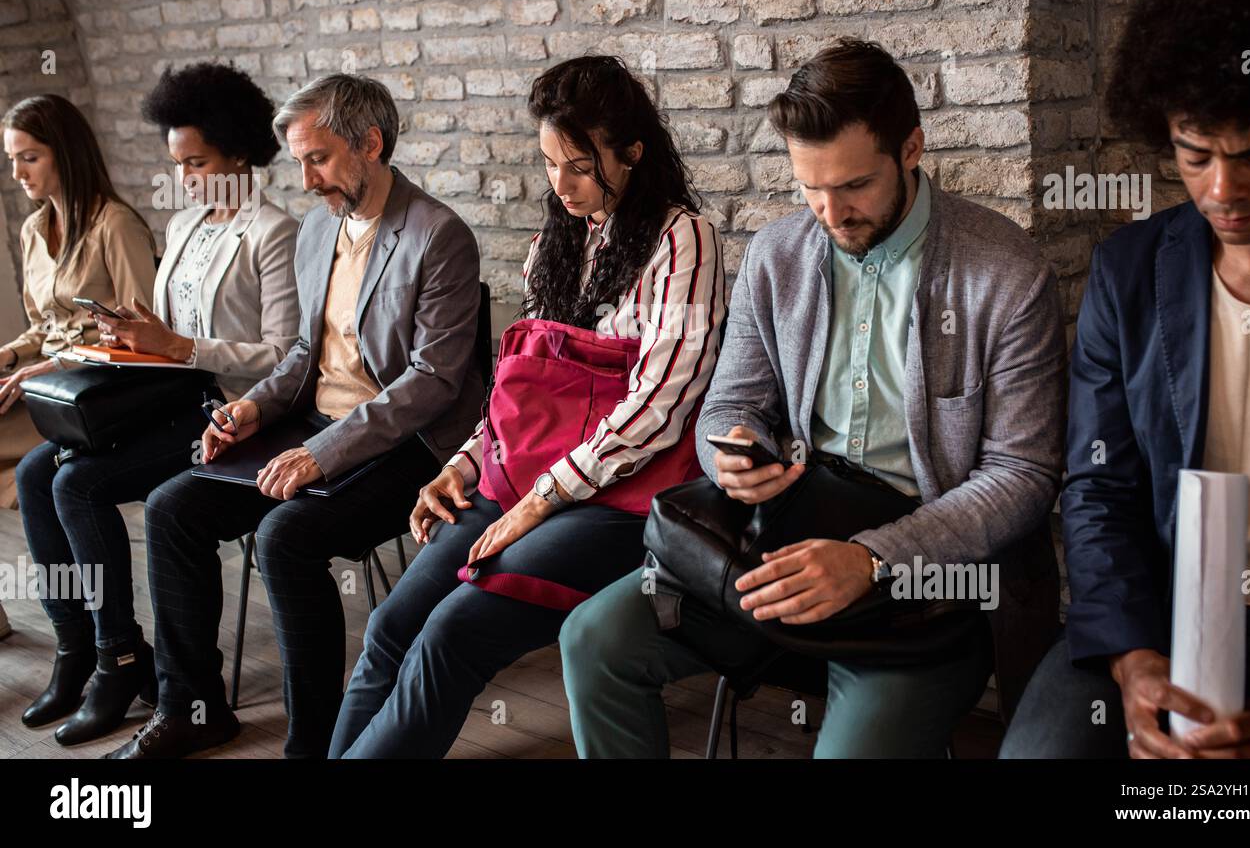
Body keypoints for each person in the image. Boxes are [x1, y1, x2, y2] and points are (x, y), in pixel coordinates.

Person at [560, 38, 1067, 758]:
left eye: (854, 185)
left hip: (928, 582)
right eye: (810, 187)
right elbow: (727, 408)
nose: (830, 212)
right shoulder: (778, 254)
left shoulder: (1005, 272)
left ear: (912, 148)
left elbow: (1023, 477)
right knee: (592, 640)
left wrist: (871, 559)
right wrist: (735, 452)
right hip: (783, 540)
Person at [328, 55, 724, 759]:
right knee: (392, 626)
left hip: (616, 501)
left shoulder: (683, 240)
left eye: (580, 166)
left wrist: (542, 498)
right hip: (523, 481)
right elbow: (520, 389)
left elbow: (663, 402)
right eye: (549, 165)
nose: (561, 186)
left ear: (633, 151)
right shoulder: (553, 246)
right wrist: (464, 462)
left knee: (454, 631)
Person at [107, 73, 483, 760]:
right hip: (314, 425)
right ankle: (192, 708)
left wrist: (325, 452)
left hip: (409, 447)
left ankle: (313, 744)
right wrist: (252, 407)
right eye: (301, 160)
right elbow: (305, 352)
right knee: (170, 509)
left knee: (285, 539)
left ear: (369, 143)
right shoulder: (318, 228)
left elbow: (432, 382)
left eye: (318, 158)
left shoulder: (439, 236)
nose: (305, 180)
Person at [1001, 0, 1250, 760]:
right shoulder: (1132, 274)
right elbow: (1100, 489)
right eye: (1193, 155)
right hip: (1165, 613)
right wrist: (1135, 664)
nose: (1221, 190)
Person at [14, 63, 299, 746]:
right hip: (171, 399)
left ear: (238, 152)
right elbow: (171, 332)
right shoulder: (187, 223)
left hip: (240, 410)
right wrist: (133, 333)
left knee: (78, 483)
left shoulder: (275, 233)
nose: (186, 179)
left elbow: (285, 357)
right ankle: (80, 649)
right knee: (34, 473)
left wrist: (179, 346)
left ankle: (120, 657)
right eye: (178, 164)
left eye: (196, 163)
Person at [0, 95, 157, 508]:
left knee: (34, 474)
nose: (17, 172)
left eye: (29, 157)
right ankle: (57, 569)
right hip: (48, 376)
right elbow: (42, 326)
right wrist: (9, 355)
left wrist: (53, 365)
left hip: (96, 384)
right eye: (11, 158)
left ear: (66, 153)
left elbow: (141, 335)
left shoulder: (115, 225)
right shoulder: (32, 230)